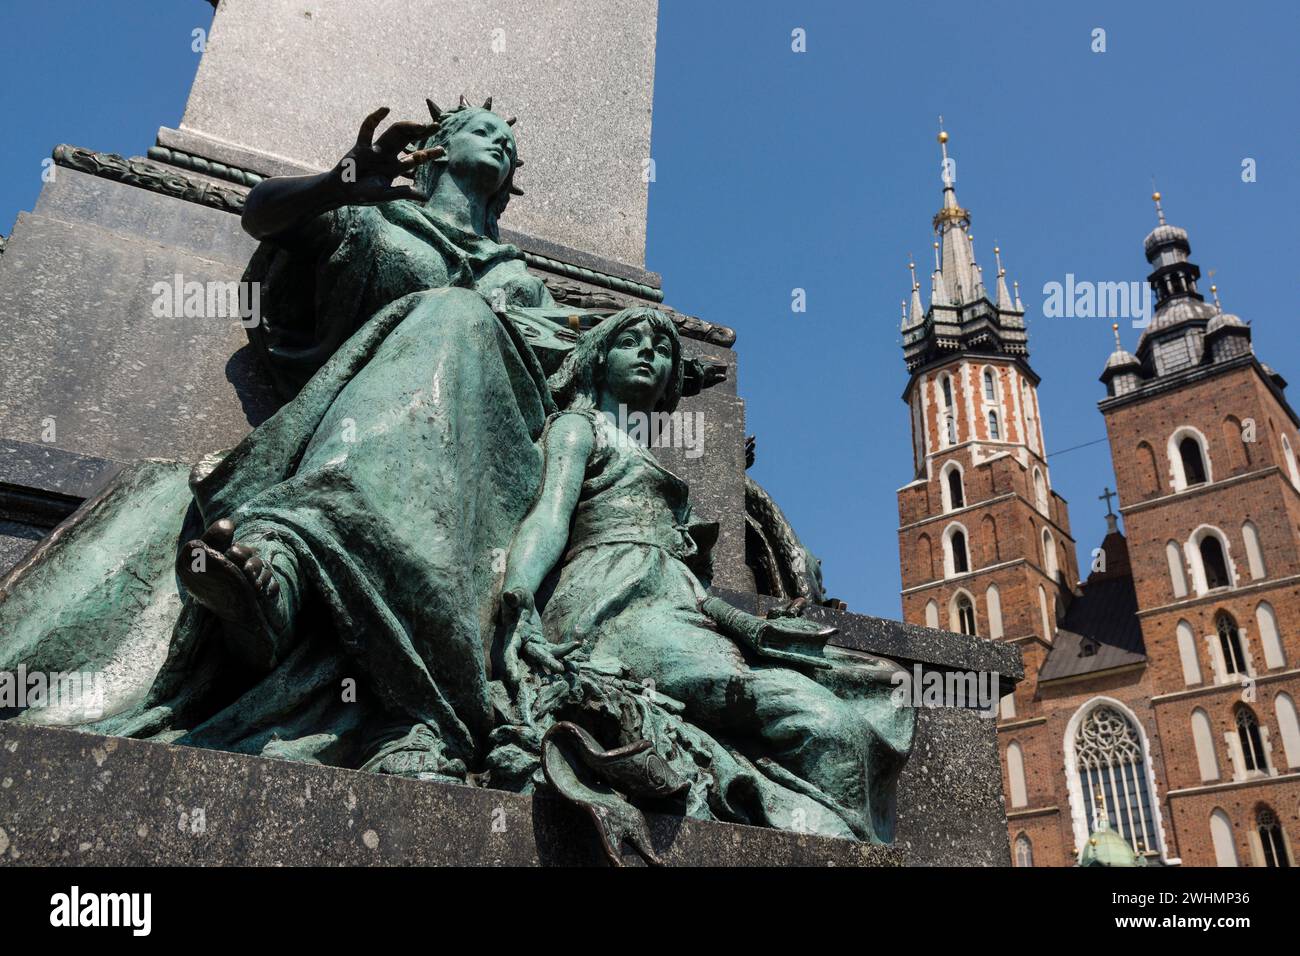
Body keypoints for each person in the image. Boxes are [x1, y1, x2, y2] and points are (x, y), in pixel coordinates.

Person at [499, 308, 914, 842]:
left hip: (678, 615)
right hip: (609, 608)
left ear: (673, 379)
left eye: (664, 348)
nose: (650, 352)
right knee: (809, 717)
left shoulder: (651, 465)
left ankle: (835, 837)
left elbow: (687, 585)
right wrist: (518, 599)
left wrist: (752, 628)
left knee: (865, 698)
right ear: (599, 358)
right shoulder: (579, 429)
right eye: (632, 341)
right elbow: (549, 519)